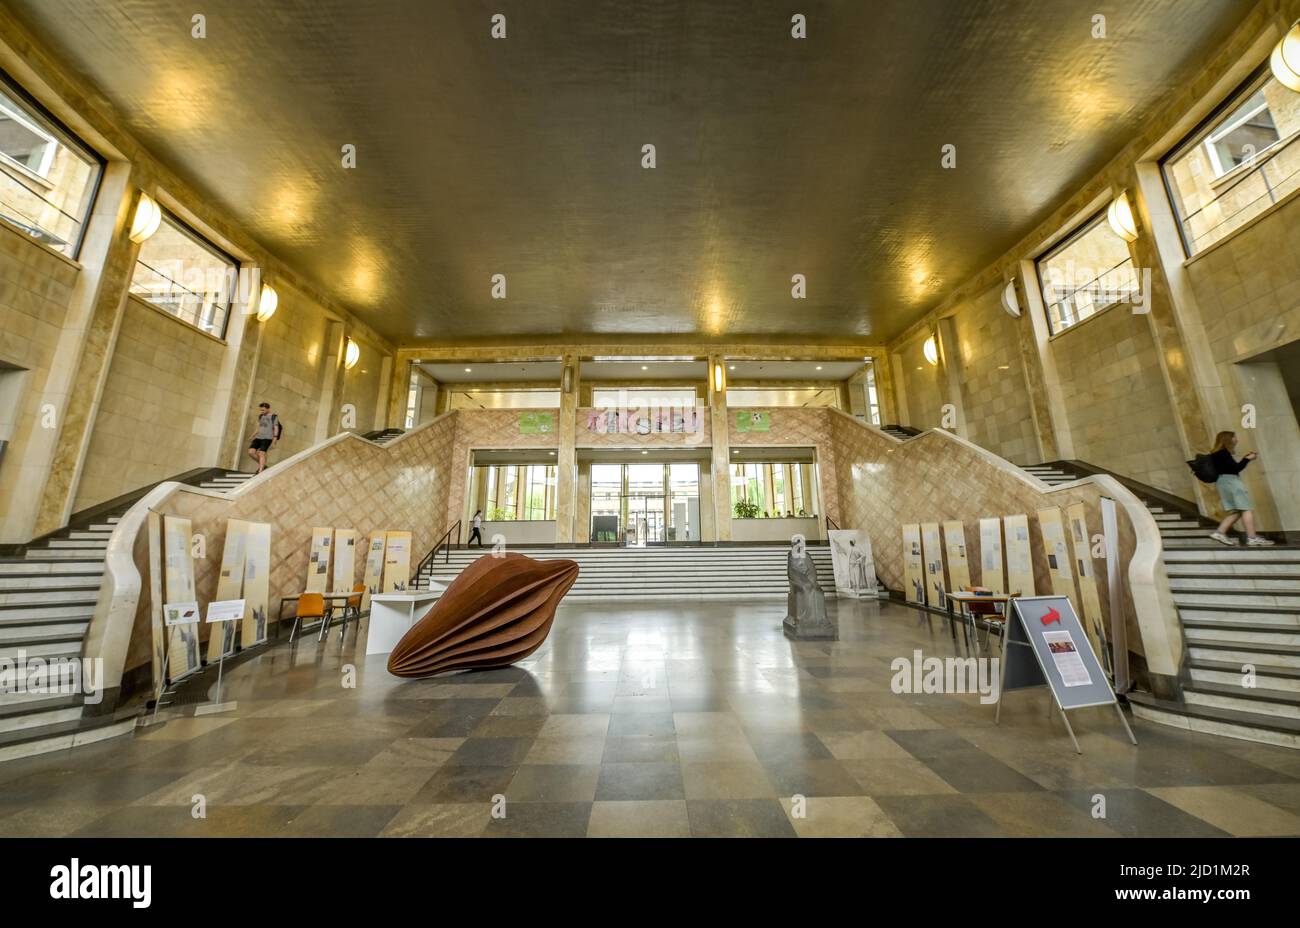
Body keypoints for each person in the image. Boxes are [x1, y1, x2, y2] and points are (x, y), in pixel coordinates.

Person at [1208, 431, 1274, 547]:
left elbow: (1230, 467)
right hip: (1231, 482)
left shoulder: (1216, 453)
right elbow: (1235, 469)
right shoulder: (1223, 453)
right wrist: (1248, 459)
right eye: (1235, 437)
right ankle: (1252, 538)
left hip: (1222, 482)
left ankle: (1219, 532)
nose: (1237, 440)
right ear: (1228, 439)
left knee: (1236, 511)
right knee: (1246, 509)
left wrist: (1245, 458)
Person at [246, 402, 281, 474]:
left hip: (267, 438)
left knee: (261, 454)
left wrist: (274, 440)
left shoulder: (273, 417)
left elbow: (276, 428)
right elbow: (258, 427)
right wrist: (252, 436)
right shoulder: (260, 416)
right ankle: (263, 465)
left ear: (268, 409)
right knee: (250, 452)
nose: (262, 411)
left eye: (263, 410)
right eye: (261, 410)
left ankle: (260, 470)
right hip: (258, 438)